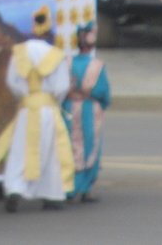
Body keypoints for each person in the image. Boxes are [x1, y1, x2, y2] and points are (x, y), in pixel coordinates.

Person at [0, 5, 74, 212]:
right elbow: (62, 87)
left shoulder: (20, 52)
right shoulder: (55, 55)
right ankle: (52, 194)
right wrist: (51, 99)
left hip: (26, 108)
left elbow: (13, 82)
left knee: (20, 151)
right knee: (50, 152)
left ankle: (15, 188)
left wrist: (25, 97)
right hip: (48, 110)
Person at [64, 22, 110, 203]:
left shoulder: (67, 62)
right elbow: (104, 93)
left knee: (70, 145)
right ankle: (85, 187)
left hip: (69, 107)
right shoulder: (97, 66)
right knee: (90, 147)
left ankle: (68, 185)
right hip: (90, 109)